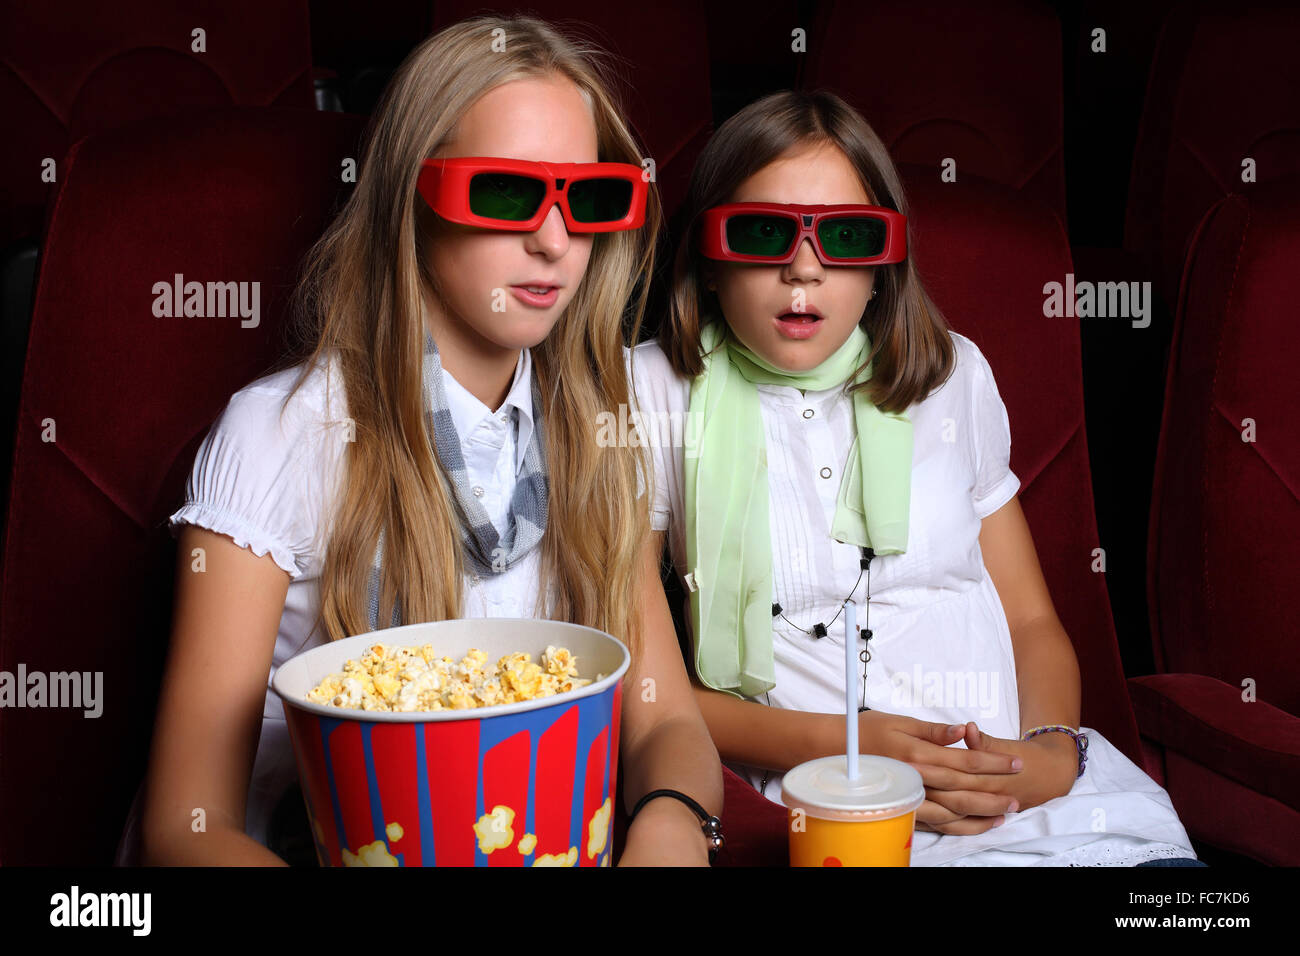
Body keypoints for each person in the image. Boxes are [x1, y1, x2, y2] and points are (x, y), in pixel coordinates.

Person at [116, 15, 721, 867]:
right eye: (505, 192)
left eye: (588, 199)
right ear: (412, 198)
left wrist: (668, 827)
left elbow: (664, 723)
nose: (554, 240)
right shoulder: (282, 435)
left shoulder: (598, 428)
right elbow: (185, 827)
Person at [627, 88, 1202, 866]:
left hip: (1031, 799)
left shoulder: (954, 374)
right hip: (837, 809)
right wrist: (851, 745)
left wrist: (1049, 752)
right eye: (763, 232)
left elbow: (1031, 621)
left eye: (848, 236)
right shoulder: (652, 390)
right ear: (708, 254)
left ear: (882, 263)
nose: (804, 268)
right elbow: (654, 696)